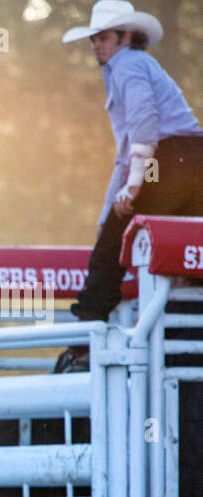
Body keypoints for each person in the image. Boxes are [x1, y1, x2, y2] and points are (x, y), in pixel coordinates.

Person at [57, 2, 203, 372]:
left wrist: (136, 186)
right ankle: (186, 341)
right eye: (94, 39)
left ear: (125, 36)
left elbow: (144, 124)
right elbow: (125, 156)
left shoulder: (127, 64)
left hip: (167, 161)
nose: (97, 46)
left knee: (113, 246)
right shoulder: (134, 66)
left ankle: (84, 341)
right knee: (183, 254)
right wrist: (112, 207)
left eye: (103, 38)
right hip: (190, 163)